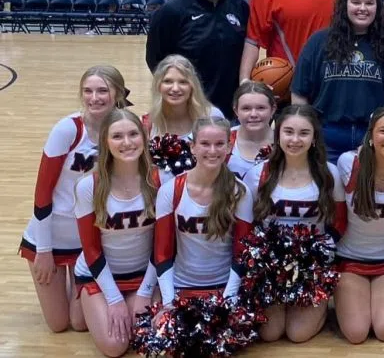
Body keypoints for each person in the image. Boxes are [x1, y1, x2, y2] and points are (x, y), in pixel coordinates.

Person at [21, 66, 129, 334]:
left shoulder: (123, 130)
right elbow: (42, 194)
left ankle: (74, 285)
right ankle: (62, 283)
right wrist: (43, 252)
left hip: (88, 240)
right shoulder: (67, 129)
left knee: (80, 324)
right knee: (58, 325)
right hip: (51, 236)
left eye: (103, 90)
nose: (95, 98)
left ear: (117, 93)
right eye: (88, 91)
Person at [245, 104, 346, 343]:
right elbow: (248, 225)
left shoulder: (329, 174)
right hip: (271, 269)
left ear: (313, 139)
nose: (295, 139)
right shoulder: (258, 174)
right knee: (270, 334)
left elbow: (340, 221)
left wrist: (323, 252)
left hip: (312, 268)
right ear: (278, 135)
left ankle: (321, 306)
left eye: (303, 133)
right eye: (288, 132)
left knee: (297, 334)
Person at [292, 0, 384, 160]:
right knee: (329, 188)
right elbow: (299, 92)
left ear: (378, 7)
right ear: (344, 5)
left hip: (374, 135)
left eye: (369, 3)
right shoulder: (319, 41)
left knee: (370, 188)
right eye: (356, 2)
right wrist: (305, 130)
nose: (363, 8)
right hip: (327, 135)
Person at [74, 109, 162, 357]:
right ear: (105, 142)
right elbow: (91, 250)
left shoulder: (159, 180)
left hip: (143, 275)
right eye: (117, 136)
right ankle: (84, 300)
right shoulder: (88, 186)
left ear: (144, 138)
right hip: (100, 275)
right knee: (115, 346)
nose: (127, 143)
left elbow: (163, 246)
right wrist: (113, 299)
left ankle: (98, 309)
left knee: (151, 340)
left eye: (133, 134)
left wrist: (146, 292)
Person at [334, 105, 384, 344]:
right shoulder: (348, 163)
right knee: (357, 334)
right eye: (383, 131)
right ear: (371, 136)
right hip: (351, 260)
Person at [152, 118, 252, 307]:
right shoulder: (170, 190)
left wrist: (229, 300)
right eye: (205, 144)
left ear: (229, 147)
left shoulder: (239, 192)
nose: (212, 151)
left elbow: (242, 252)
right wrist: (168, 303)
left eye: (219, 144)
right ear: (192, 147)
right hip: (181, 286)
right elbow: (162, 253)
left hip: (225, 288)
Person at [146, 0, 248, 115]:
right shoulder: (172, 11)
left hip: (232, 113)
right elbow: (156, 62)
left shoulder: (241, 9)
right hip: (187, 113)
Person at [144, 55, 224, 141]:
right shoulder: (146, 125)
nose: (175, 88)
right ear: (158, 85)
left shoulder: (213, 117)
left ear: (192, 86)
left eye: (183, 82)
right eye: (168, 81)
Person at [227, 81, 277, 181]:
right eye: (246, 108)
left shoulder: (285, 143)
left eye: (261, 108)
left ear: (273, 110)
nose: (253, 114)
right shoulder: (223, 140)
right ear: (236, 111)